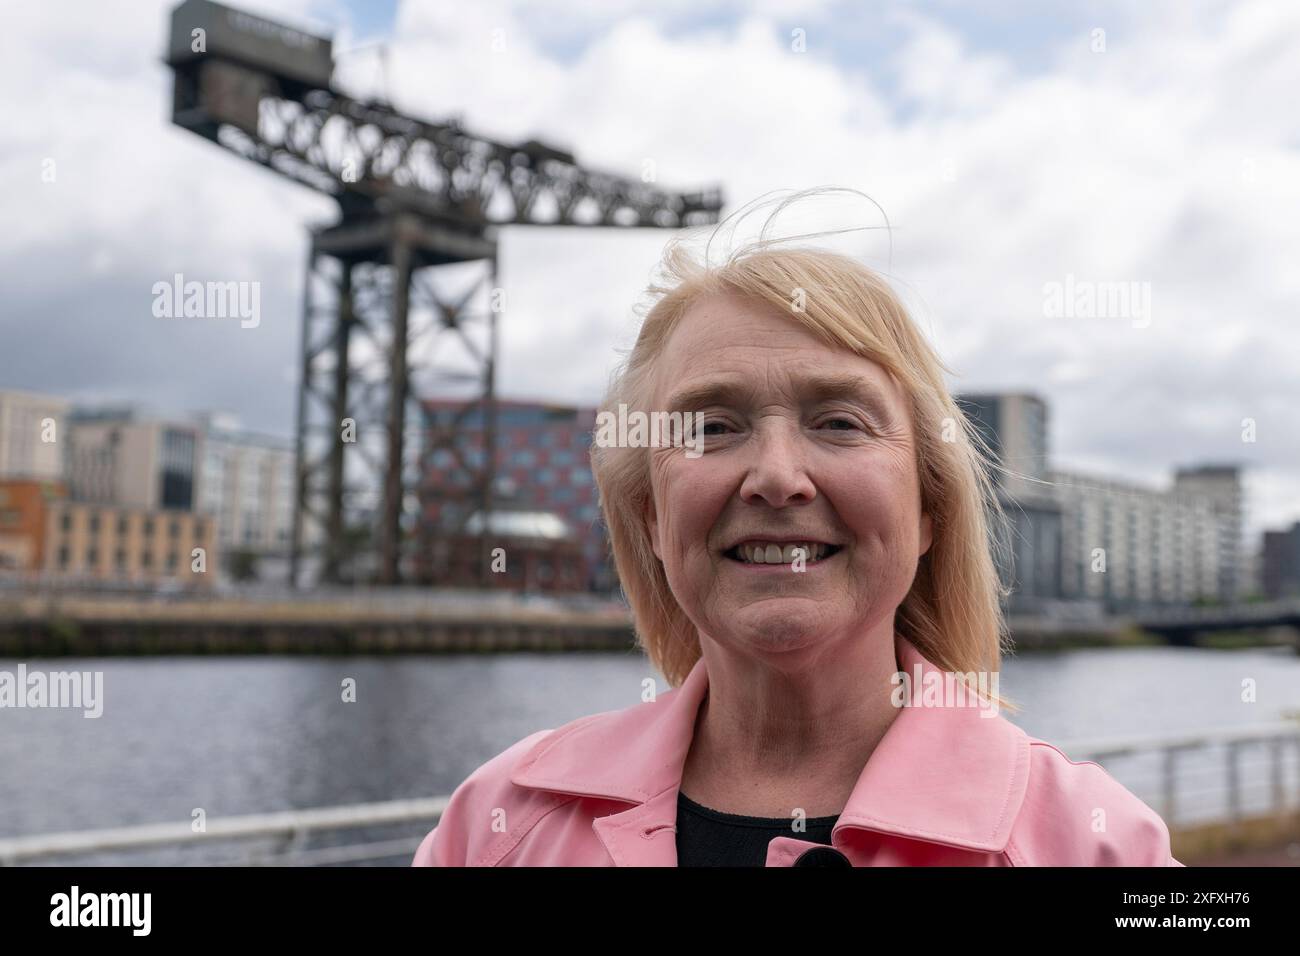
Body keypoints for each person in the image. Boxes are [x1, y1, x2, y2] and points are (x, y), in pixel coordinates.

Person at [412, 203, 1182, 867]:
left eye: (840, 423)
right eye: (712, 427)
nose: (778, 477)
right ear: (650, 516)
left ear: (928, 512)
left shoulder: (1096, 845)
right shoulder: (494, 825)